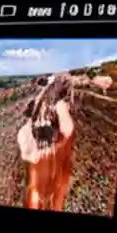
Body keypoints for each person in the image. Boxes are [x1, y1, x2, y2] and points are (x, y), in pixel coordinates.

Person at [17, 77, 76, 211]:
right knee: (50, 190)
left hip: (31, 144)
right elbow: (68, 130)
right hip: (43, 151)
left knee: (34, 188)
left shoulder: (42, 98)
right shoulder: (59, 104)